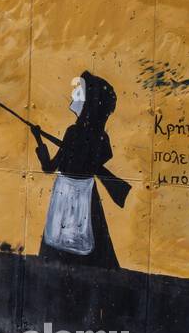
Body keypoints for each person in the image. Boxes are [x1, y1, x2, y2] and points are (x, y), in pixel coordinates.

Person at [32, 70, 123, 269]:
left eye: (79, 92)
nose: (73, 95)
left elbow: (49, 167)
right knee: (95, 249)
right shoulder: (100, 137)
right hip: (87, 196)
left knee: (56, 249)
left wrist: (38, 139)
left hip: (65, 196)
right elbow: (106, 155)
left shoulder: (73, 133)